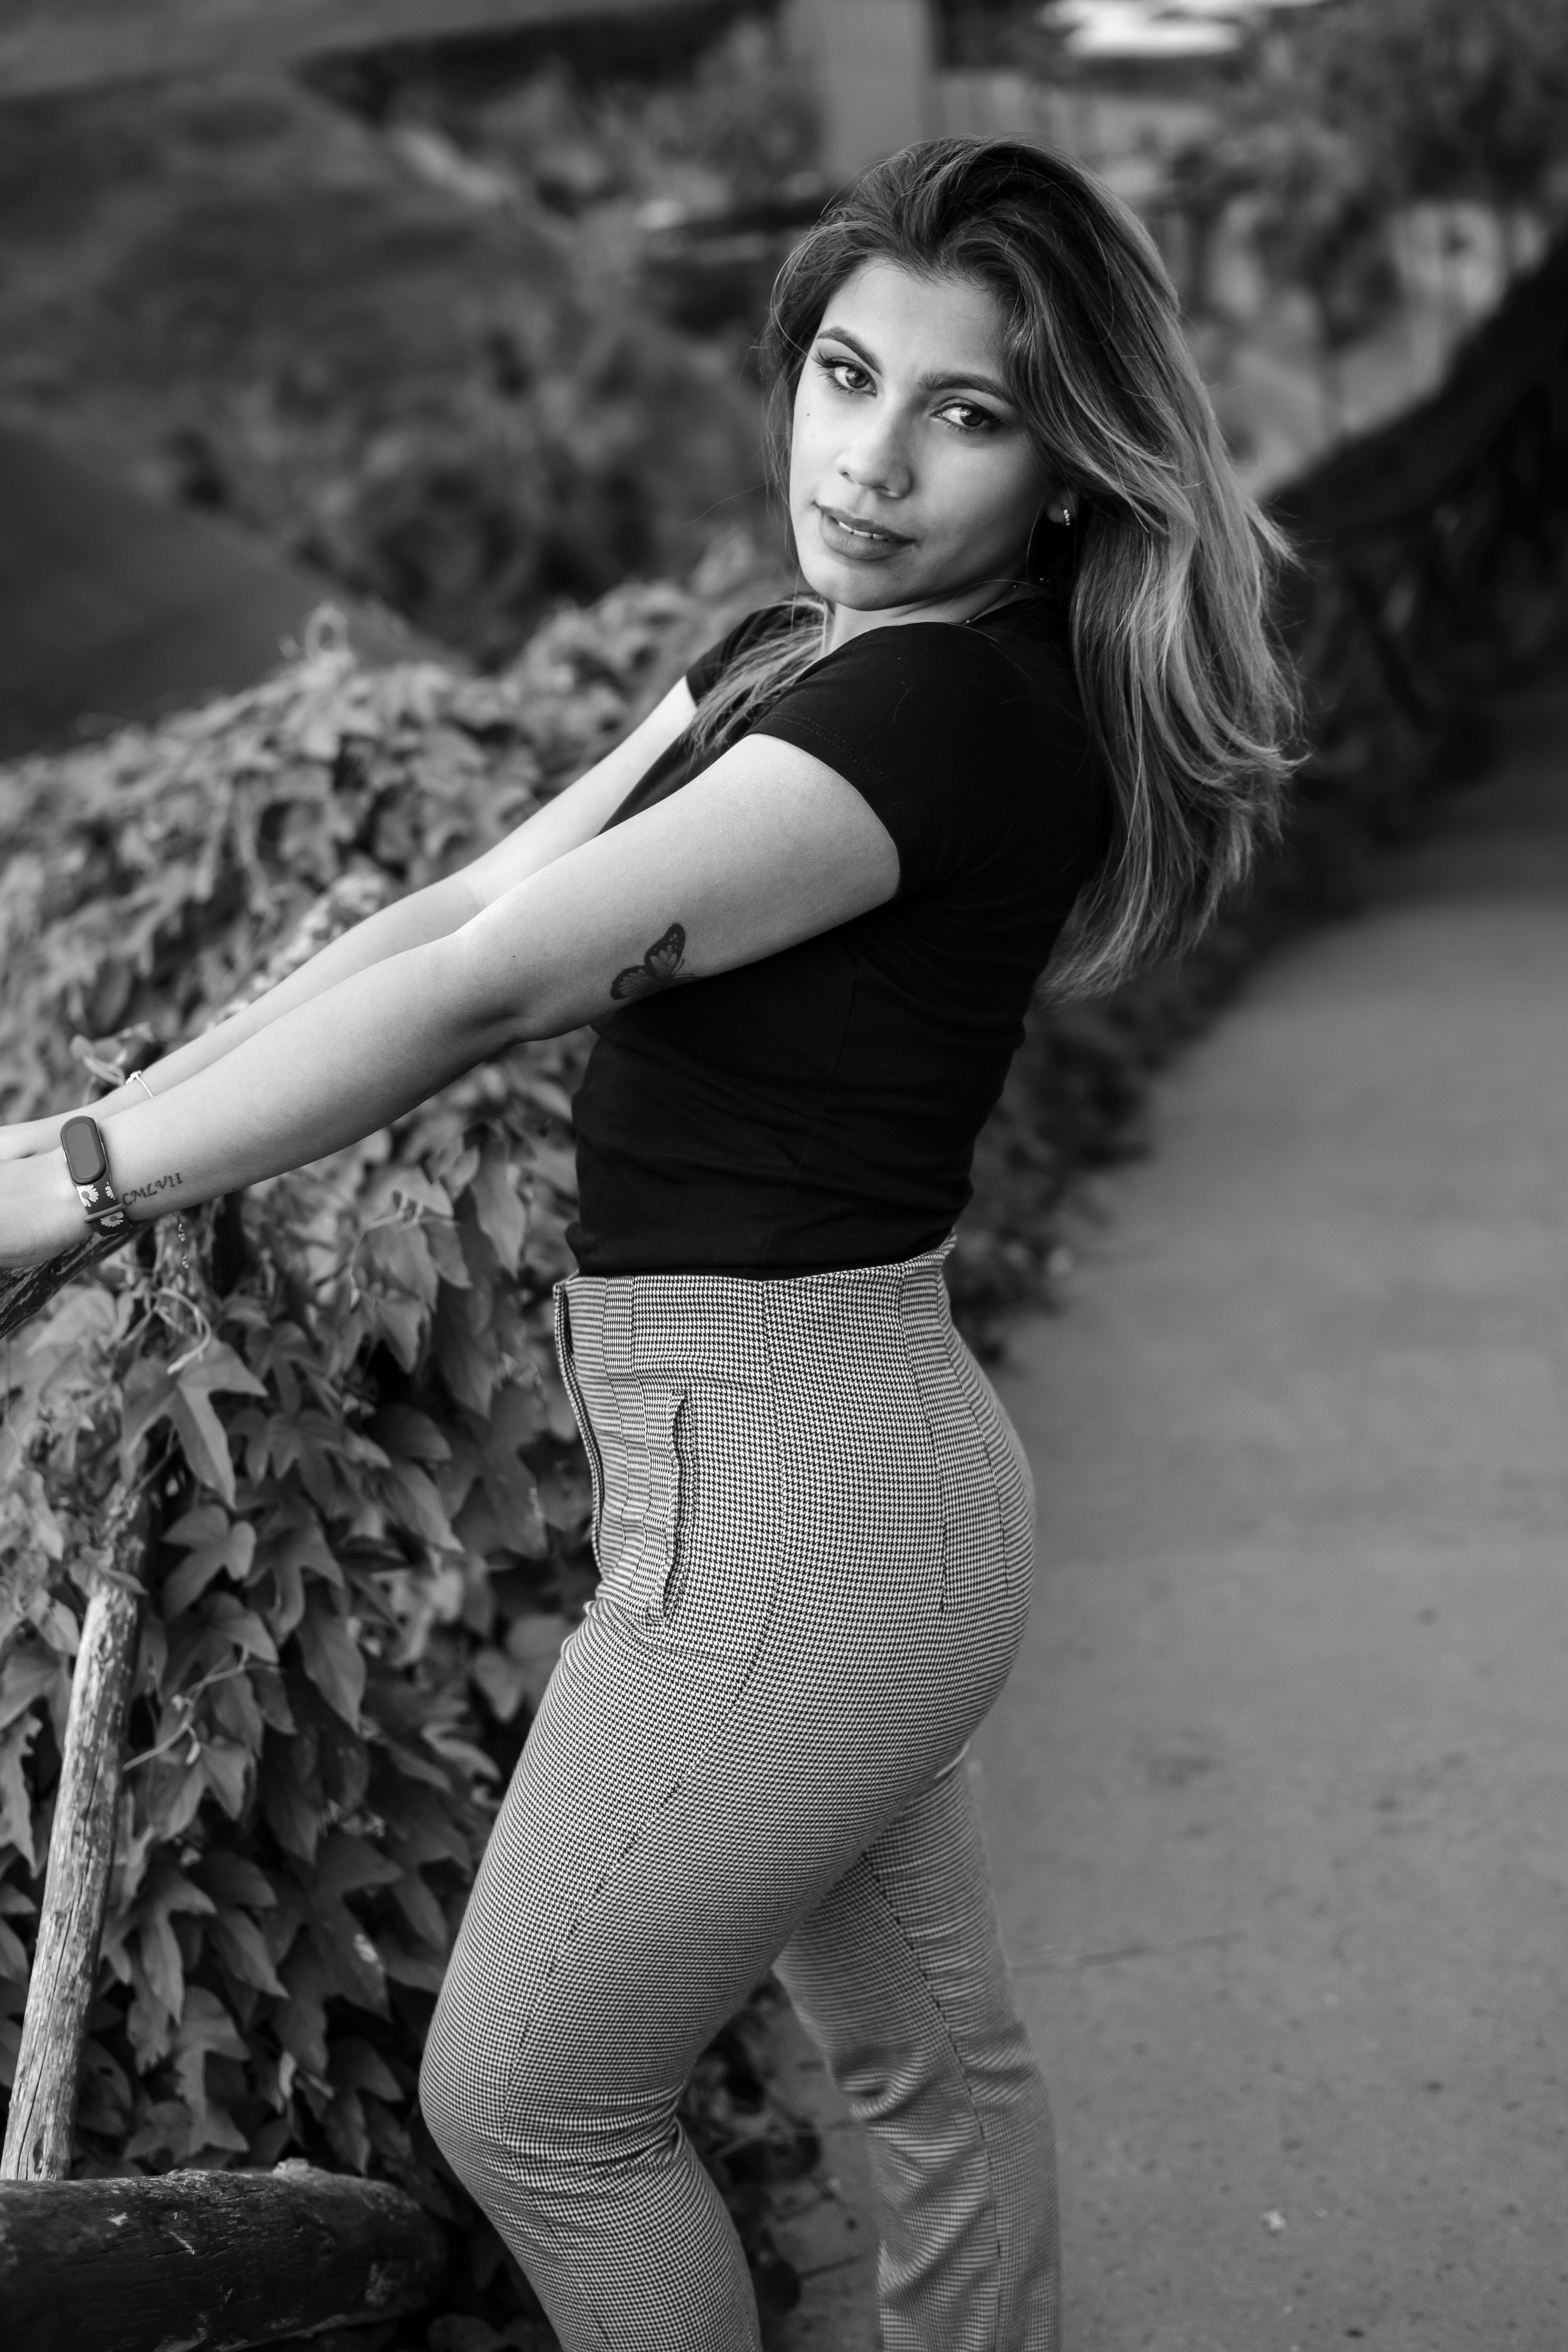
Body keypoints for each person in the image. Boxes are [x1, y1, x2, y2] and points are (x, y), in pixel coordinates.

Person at [0, 140, 1292, 2352]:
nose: (872, 460)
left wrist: (89, 1183)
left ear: (1070, 468)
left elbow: (493, 999)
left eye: (963, 414)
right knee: (922, 2071)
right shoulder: (802, 649)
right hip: (858, 1480)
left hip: (798, 1514)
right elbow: (452, 915)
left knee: (530, 2105)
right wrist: (76, 1133)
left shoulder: (940, 712)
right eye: (847, 376)